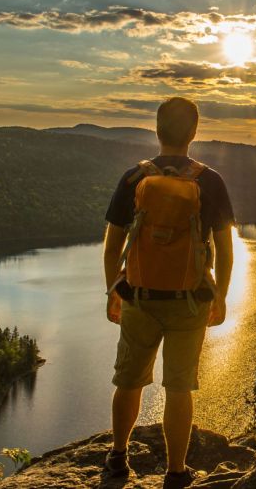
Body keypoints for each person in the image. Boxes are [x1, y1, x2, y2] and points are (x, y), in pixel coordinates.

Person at [102, 97, 234, 489]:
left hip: (139, 297)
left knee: (129, 380)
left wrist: (114, 290)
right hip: (189, 301)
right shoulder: (210, 181)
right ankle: (176, 473)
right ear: (193, 132)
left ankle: (118, 458)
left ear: (157, 130)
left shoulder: (133, 178)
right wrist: (221, 296)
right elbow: (225, 250)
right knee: (179, 388)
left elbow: (112, 247)